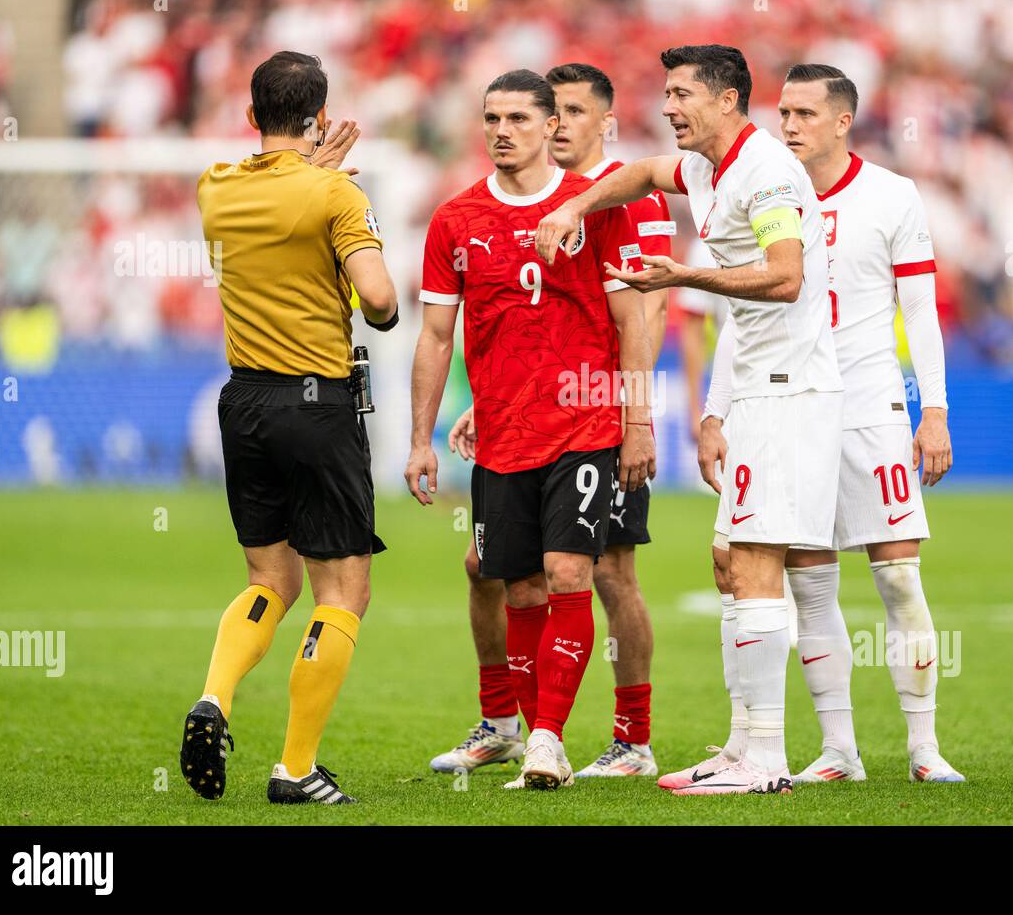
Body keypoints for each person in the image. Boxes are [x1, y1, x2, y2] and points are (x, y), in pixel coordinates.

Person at [537, 44, 840, 796]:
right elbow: (638, 173)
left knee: (759, 562)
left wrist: (682, 274)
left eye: (681, 95)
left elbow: (785, 274)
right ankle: (742, 744)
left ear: (728, 99)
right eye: (666, 92)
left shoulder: (766, 172)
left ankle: (767, 759)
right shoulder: (708, 165)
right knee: (731, 562)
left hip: (791, 391)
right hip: (755, 392)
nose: (667, 106)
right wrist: (574, 203)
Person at [684, 64, 963, 786]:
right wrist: (715, 410)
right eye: (784, 112)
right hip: (793, 402)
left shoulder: (892, 195)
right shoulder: (759, 184)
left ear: (843, 121)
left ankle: (925, 748)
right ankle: (839, 750)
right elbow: (739, 320)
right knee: (808, 584)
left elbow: (920, 312)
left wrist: (933, 410)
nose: (791, 125)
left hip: (870, 403)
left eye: (806, 113)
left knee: (898, 576)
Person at [406, 69, 656, 790]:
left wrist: (636, 420)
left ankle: (549, 740)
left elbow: (630, 324)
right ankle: (514, 729)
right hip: (503, 439)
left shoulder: (594, 211)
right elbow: (435, 338)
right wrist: (422, 436)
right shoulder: (456, 221)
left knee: (575, 571)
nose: (502, 130)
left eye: (519, 117)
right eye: (492, 117)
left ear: (552, 127)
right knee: (516, 589)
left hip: (585, 425)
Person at [183, 51, 398, 805]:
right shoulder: (334, 195)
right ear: (319, 117)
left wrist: (316, 171)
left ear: (251, 116)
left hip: (243, 404)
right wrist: (337, 192)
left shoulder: (215, 188)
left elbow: (278, 190)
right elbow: (379, 300)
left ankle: (215, 697)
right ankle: (295, 768)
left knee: (268, 578)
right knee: (342, 590)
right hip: (317, 406)